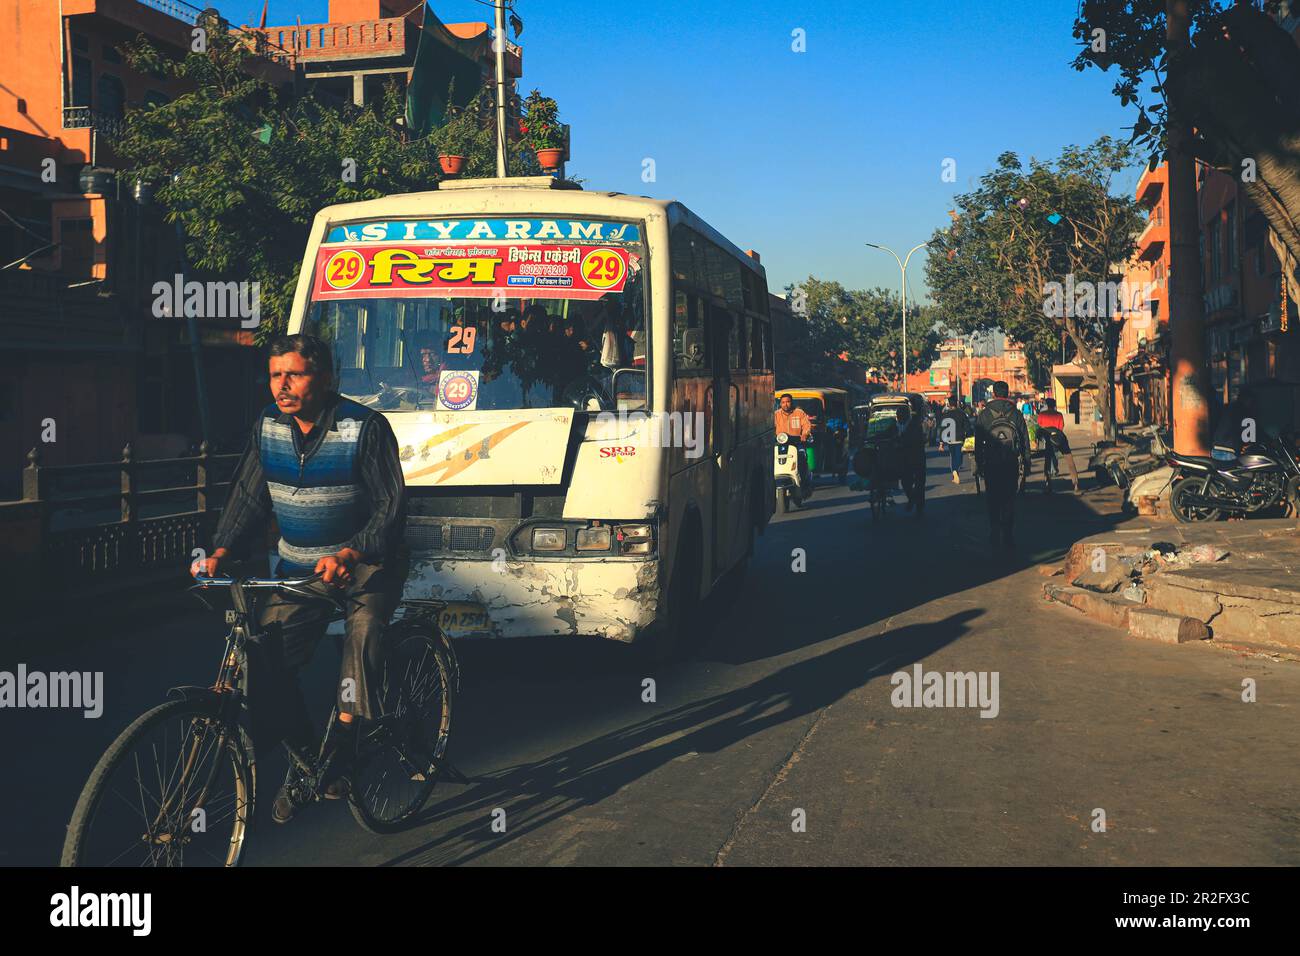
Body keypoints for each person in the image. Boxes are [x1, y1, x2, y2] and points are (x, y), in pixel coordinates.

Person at [193, 334, 408, 825]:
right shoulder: (268, 426)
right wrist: (222, 550)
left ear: (326, 378)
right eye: (275, 375)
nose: (283, 386)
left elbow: (390, 508)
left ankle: (347, 742)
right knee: (264, 661)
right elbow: (250, 496)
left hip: (368, 563)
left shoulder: (365, 427)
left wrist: (351, 551)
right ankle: (311, 764)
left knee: (364, 634)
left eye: (296, 374)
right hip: (299, 569)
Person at [975, 380, 1030, 549]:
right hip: (1010, 463)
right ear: (1007, 394)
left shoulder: (984, 414)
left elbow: (978, 442)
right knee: (1008, 498)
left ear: (994, 394)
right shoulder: (1016, 413)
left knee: (992, 498)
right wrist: (1026, 463)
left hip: (991, 463)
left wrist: (979, 464)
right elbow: (1025, 440)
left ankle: (994, 529)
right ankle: (1007, 533)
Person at [1036, 397, 1081, 494]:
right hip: (1060, 439)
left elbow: (1039, 426)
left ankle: (1048, 486)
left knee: (1047, 463)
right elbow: (1061, 427)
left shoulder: (1042, 414)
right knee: (1070, 461)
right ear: (1055, 405)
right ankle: (1076, 485)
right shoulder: (1059, 414)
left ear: (1047, 404)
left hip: (1049, 440)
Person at [939, 395, 969, 484]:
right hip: (960, 439)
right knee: (959, 457)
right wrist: (969, 436)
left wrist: (941, 443)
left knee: (953, 456)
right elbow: (967, 427)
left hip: (950, 439)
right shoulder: (961, 413)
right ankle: (956, 470)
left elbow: (943, 429)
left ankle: (954, 472)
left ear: (948, 404)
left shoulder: (946, 415)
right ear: (957, 403)